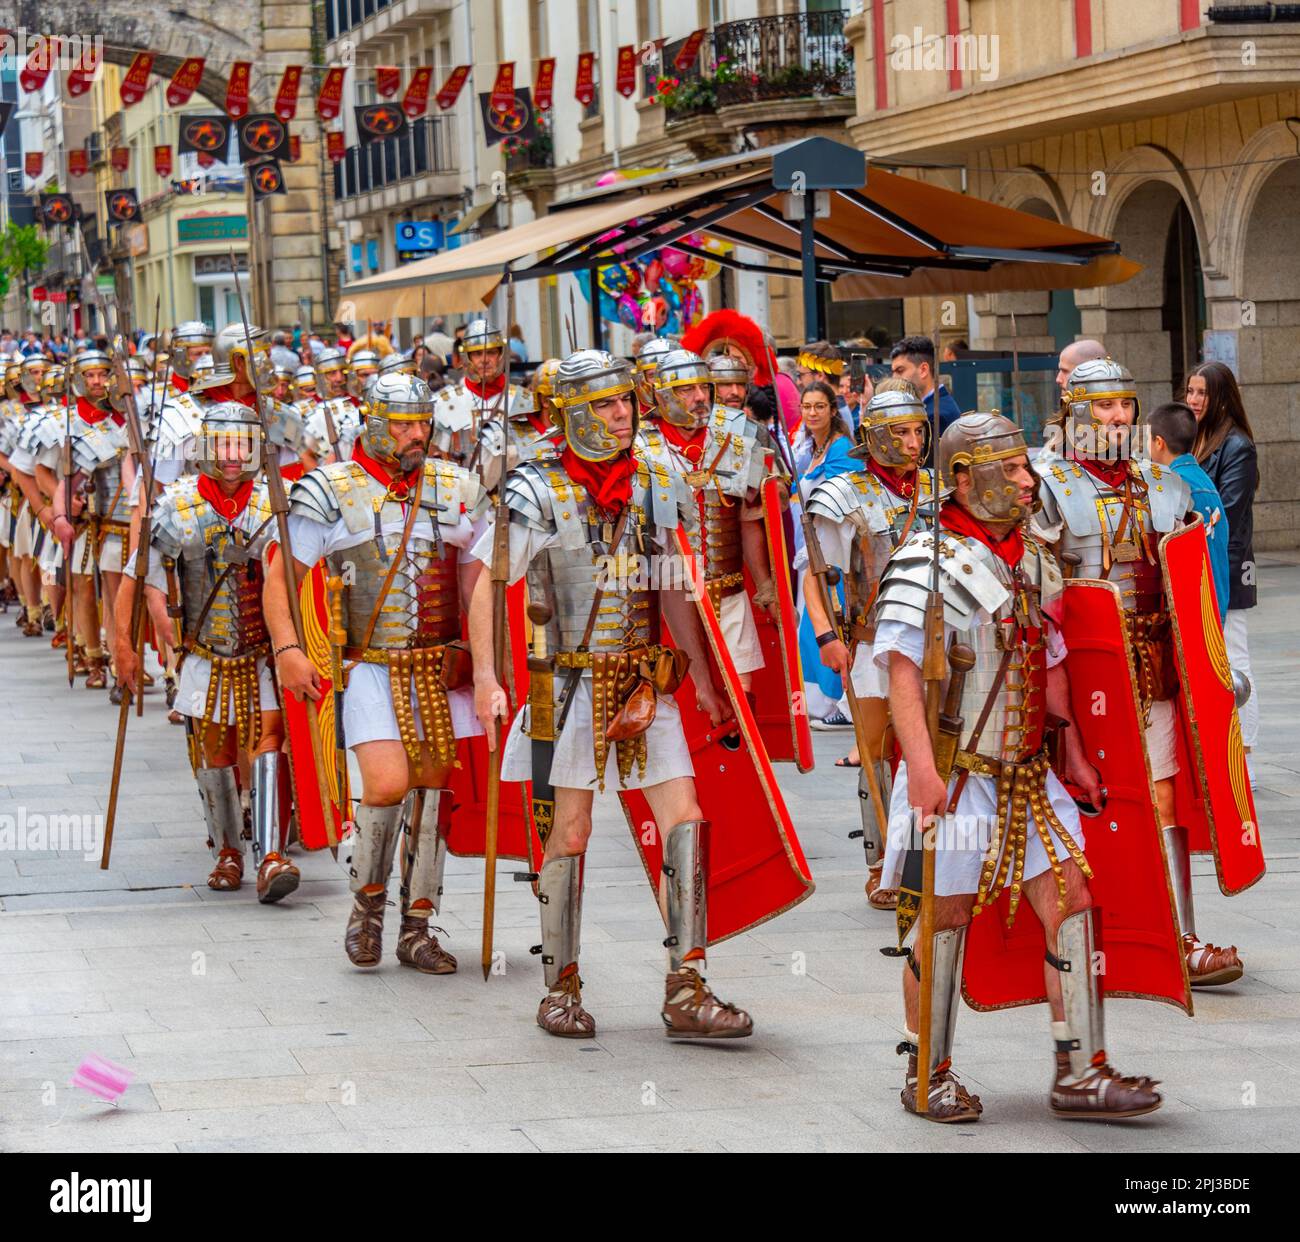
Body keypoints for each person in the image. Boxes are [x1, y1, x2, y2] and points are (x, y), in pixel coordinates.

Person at [875, 411, 1162, 1122]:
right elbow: (901, 673)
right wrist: (919, 770)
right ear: (965, 477)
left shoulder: (1033, 555)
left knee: (1073, 908)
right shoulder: (927, 558)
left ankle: (1080, 1068)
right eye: (1012, 470)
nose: (1028, 480)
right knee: (940, 922)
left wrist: (1074, 752)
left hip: (1030, 776)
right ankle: (926, 1070)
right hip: (960, 775)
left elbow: (1052, 658)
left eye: (1027, 467)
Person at [468, 348, 755, 1040]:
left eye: (626, 400)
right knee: (570, 832)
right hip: (563, 684)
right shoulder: (533, 489)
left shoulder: (657, 476)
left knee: (685, 820)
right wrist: (485, 677)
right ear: (570, 413)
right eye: (604, 403)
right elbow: (486, 586)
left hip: (641, 683)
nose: (622, 413)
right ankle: (560, 986)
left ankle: (687, 984)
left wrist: (706, 679)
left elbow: (671, 587)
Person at [267, 373, 488, 972]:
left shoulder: (456, 485)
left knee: (433, 793)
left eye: (423, 422)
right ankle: (367, 906)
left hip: (440, 668)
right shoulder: (332, 489)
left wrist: (484, 660)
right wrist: (288, 647)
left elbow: (480, 576)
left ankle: (418, 924)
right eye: (403, 423)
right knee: (388, 783)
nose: (417, 434)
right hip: (372, 664)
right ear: (372, 424)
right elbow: (280, 572)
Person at [1035, 357, 1242, 988]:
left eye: (1125, 404)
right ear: (1076, 412)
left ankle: (1177, 934)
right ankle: (1084, 934)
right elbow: (1039, 595)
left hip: (1153, 666)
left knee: (1161, 797)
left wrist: (1212, 663)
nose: (1117, 416)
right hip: (1084, 672)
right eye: (1103, 406)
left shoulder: (1165, 484)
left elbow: (1189, 588)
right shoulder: (1048, 484)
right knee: (1085, 799)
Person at [114, 394, 297, 902]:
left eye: (243, 444)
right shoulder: (176, 505)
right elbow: (136, 577)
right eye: (224, 444)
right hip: (206, 654)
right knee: (215, 752)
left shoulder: (275, 503)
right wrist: (124, 651)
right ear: (206, 448)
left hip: (262, 652)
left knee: (269, 743)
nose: (233, 455)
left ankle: (271, 853)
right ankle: (228, 851)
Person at [802, 381, 933, 908]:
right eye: (900, 432)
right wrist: (827, 636)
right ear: (874, 437)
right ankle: (882, 863)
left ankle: (926, 857)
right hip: (871, 638)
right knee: (878, 749)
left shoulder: (938, 490)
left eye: (919, 430)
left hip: (935, 641)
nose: (912, 442)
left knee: (930, 748)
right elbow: (813, 576)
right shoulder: (842, 494)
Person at [637, 349, 777, 695]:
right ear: (662, 394)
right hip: (663, 596)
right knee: (673, 695)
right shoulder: (639, 447)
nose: (700, 397)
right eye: (686, 390)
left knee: (741, 694)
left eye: (703, 387)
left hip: (727, 586)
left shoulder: (738, 435)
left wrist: (766, 585)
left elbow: (752, 516)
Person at [1184, 360, 1259, 785]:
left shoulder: (1237, 446)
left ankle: (1244, 756)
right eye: (1190, 392)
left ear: (1221, 397)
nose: (1193, 400)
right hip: (1201, 562)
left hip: (1227, 563)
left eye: (1202, 393)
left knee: (1235, 658)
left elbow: (1226, 511)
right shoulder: (1197, 438)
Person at [791, 380, 855, 727]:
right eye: (807, 406)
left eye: (819, 406)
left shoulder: (840, 448)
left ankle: (840, 705)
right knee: (809, 628)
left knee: (832, 623)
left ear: (833, 410)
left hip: (831, 554)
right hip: (808, 551)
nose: (812, 413)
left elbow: (842, 499)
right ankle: (818, 704)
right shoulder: (810, 448)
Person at [1147, 402, 1229, 625]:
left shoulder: (1173, 487)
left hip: (1193, 611)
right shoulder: (1205, 482)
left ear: (1158, 442)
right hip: (1215, 604)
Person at [889, 336, 961, 441]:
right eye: (893, 372)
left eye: (900, 370)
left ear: (923, 370)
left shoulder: (935, 416)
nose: (894, 378)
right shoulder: (933, 406)